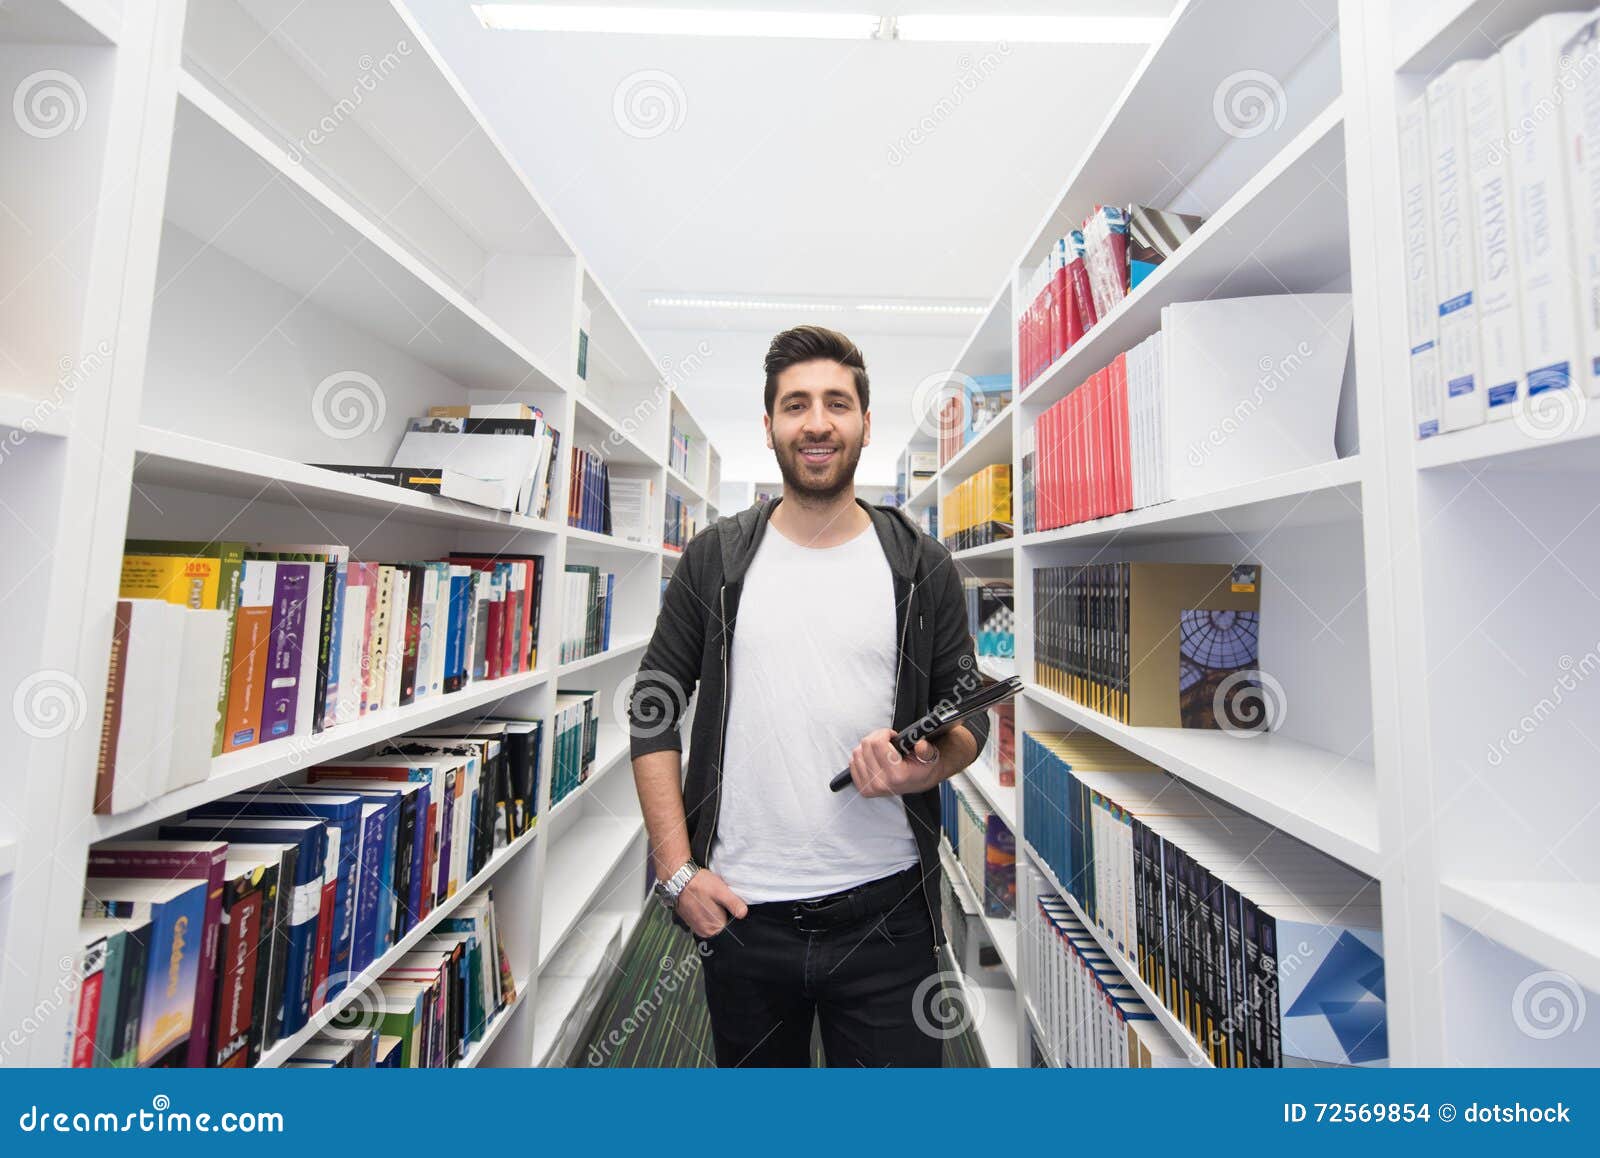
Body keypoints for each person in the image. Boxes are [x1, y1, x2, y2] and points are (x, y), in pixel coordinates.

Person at [627, 324, 988, 1067]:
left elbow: (969, 714)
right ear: (769, 428)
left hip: (889, 916)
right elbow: (651, 710)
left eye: (836, 403)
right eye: (796, 405)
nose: (817, 422)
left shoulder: (923, 566)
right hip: (741, 914)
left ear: (863, 423)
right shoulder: (715, 560)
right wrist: (674, 873)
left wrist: (923, 769)